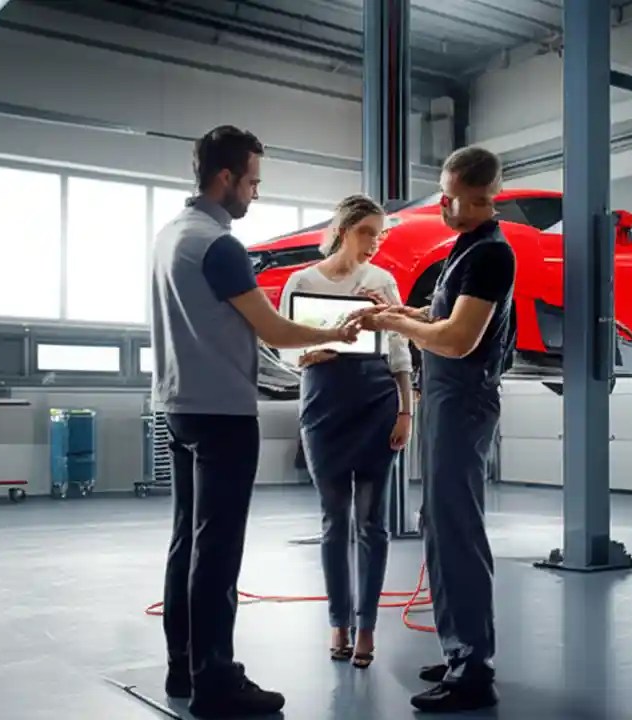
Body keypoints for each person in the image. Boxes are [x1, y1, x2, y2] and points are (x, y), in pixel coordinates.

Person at [150, 125, 362, 719]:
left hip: (177, 406)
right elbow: (273, 329)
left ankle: (183, 668)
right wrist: (338, 332)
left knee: (187, 541)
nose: (255, 193)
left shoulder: (170, 235)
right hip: (221, 413)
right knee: (218, 551)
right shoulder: (220, 246)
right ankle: (216, 681)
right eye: (252, 181)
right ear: (225, 178)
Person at [357, 146, 515, 713]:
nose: (442, 205)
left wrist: (396, 324)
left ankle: (473, 668)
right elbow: (440, 317)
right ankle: (458, 650)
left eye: (449, 197)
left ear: (478, 198)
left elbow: (457, 339)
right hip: (447, 399)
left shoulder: (491, 255)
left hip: (464, 399)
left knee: (457, 529)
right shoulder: (465, 249)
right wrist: (395, 312)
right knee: (439, 525)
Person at [277, 194, 414, 670]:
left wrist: (406, 411)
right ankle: (338, 621)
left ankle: (367, 627)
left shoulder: (382, 281)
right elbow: (283, 344)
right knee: (334, 521)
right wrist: (305, 355)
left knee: (372, 523)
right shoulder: (302, 281)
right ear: (342, 230)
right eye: (366, 232)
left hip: (377, 402)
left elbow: (399, 350)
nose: (374, 242)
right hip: (323, 404)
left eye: (380, 234)